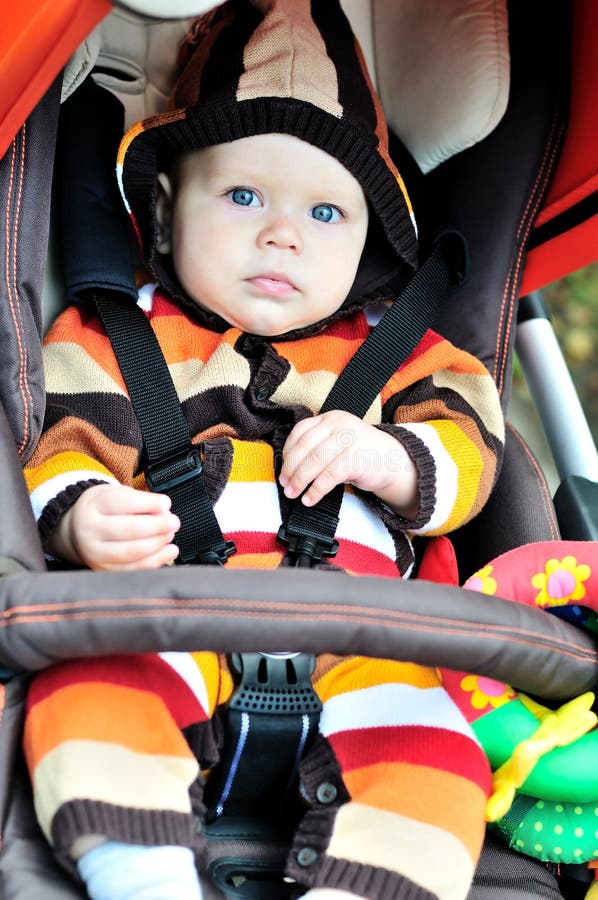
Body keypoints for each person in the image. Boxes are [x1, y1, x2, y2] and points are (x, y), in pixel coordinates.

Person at [23, 1, 506, 898]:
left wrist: (387, 457)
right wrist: (83, 514)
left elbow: (473, 452)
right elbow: (62, 444)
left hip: (367, 637)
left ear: (372, 241)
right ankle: (141, 875)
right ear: (167, 209)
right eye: (243, 196)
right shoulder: (109, 335)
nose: (283, 233)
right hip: (169, 612)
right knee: (88, 696)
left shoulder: (402, 357)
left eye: (327, 210)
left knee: (438, 758)